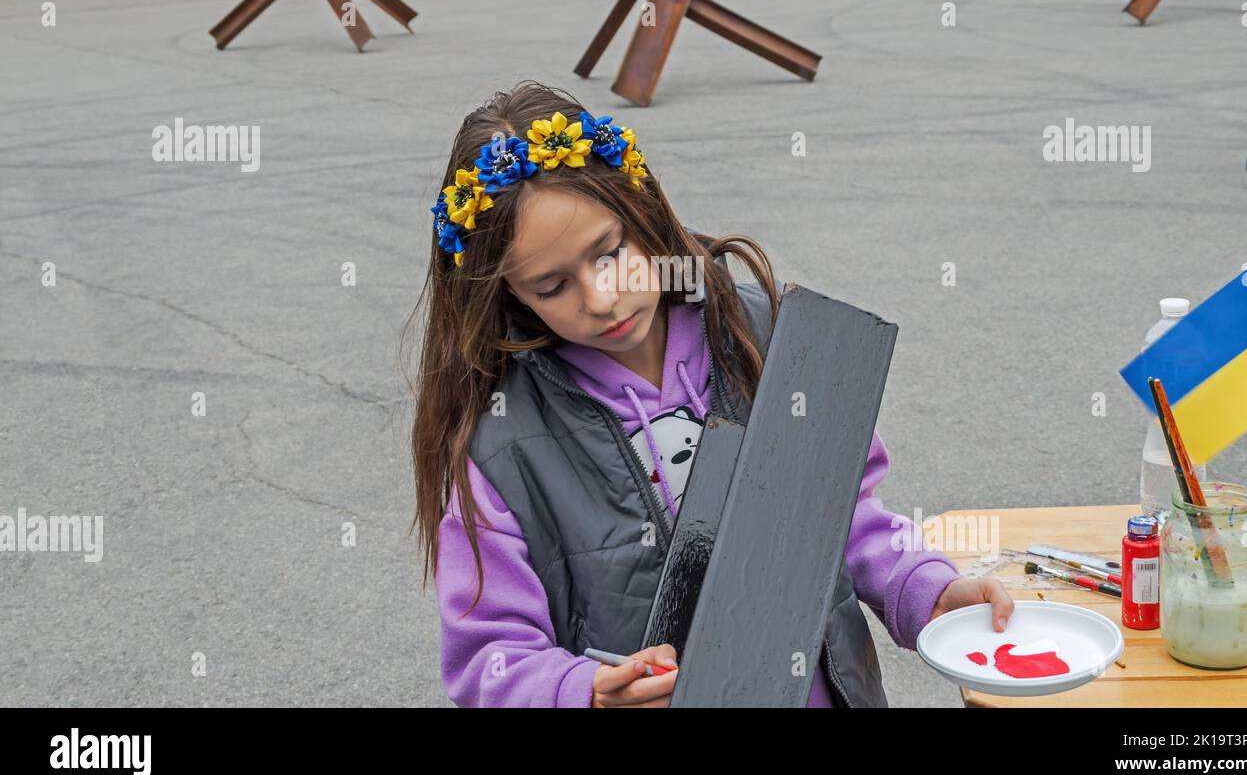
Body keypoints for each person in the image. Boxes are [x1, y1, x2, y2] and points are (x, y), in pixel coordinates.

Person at [412, 80, 1013, 707]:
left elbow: (844, 513)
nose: (601, 297)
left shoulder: (769, 335)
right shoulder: (499, 445)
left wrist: (927, 590)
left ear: (639, 204)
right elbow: (489, 656)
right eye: (551, 285)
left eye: (610, 252)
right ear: (507, 292)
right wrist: (582, 692)